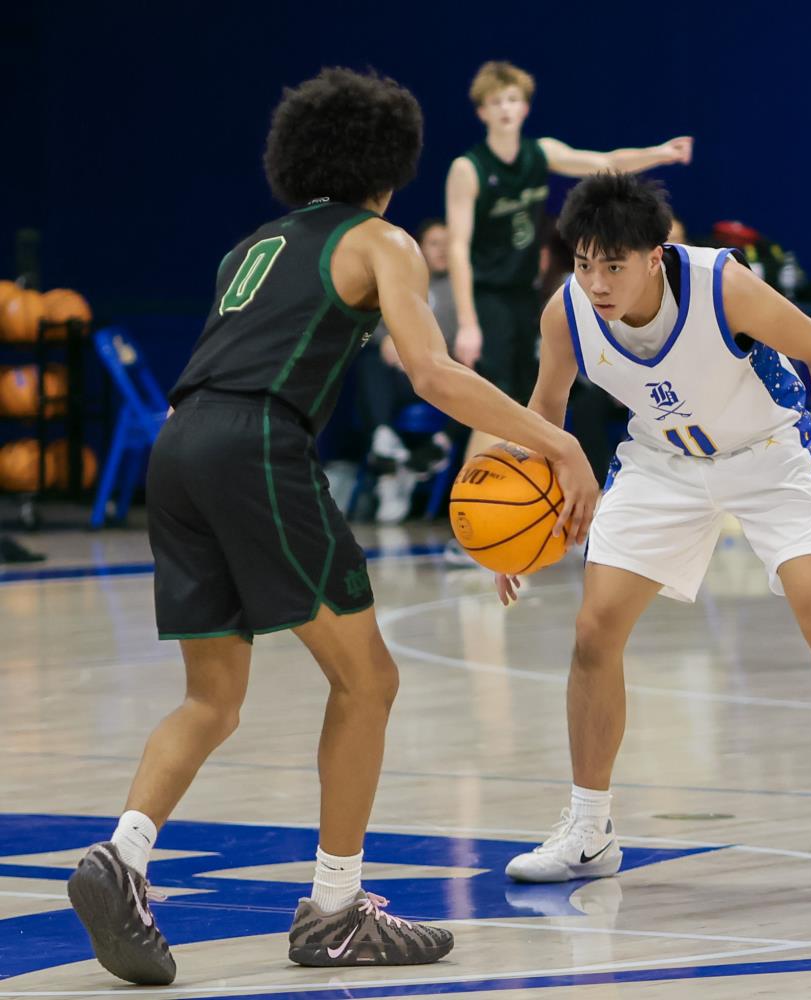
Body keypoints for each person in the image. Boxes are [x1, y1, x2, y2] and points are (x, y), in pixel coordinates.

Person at [65, 67, 598, 985]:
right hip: (257, 446)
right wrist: (559, 441)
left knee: (212, 699)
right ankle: (337, 910)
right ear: (389, 163)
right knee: (368, 679)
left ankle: (122, 856)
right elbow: (431, 372)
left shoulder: (250, 248)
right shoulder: (382, 239)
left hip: (179, 447)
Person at [498, 172, 811, 891]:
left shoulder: (723, 285)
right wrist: (514, 536)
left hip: (768, 452)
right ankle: (590, 833)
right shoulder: (567, 313)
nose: (596, 283)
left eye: (613, 266)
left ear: (655, 256)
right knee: (593, 631)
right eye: (584, 264)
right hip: (662, 463)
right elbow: (546, 409)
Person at [442, 61, 691, 562]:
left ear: (525, 107)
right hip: (488, 296)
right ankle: (472, 522)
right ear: (482, 111)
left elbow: (605, 161)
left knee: (523, 407)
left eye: (513, 100)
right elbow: (458, 248)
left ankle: (521, 513)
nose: (506, 109)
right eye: (496, 102)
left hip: (524, 295)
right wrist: (467, 321)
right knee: (492, 405)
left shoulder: (541, 153)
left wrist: (659, 153)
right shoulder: (468, 169)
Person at [357, 218, 456, 522]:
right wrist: (388, 341)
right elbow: (374, 326)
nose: (442, 251)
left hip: (443, 374)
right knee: (371, 361)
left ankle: (437, 447)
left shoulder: (461, 287)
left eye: (447, 244)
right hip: (403, 375)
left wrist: (426, 353)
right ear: (420, 248)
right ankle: (383, 440)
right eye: (435, 244)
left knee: (480, 370)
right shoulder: (403, 280)